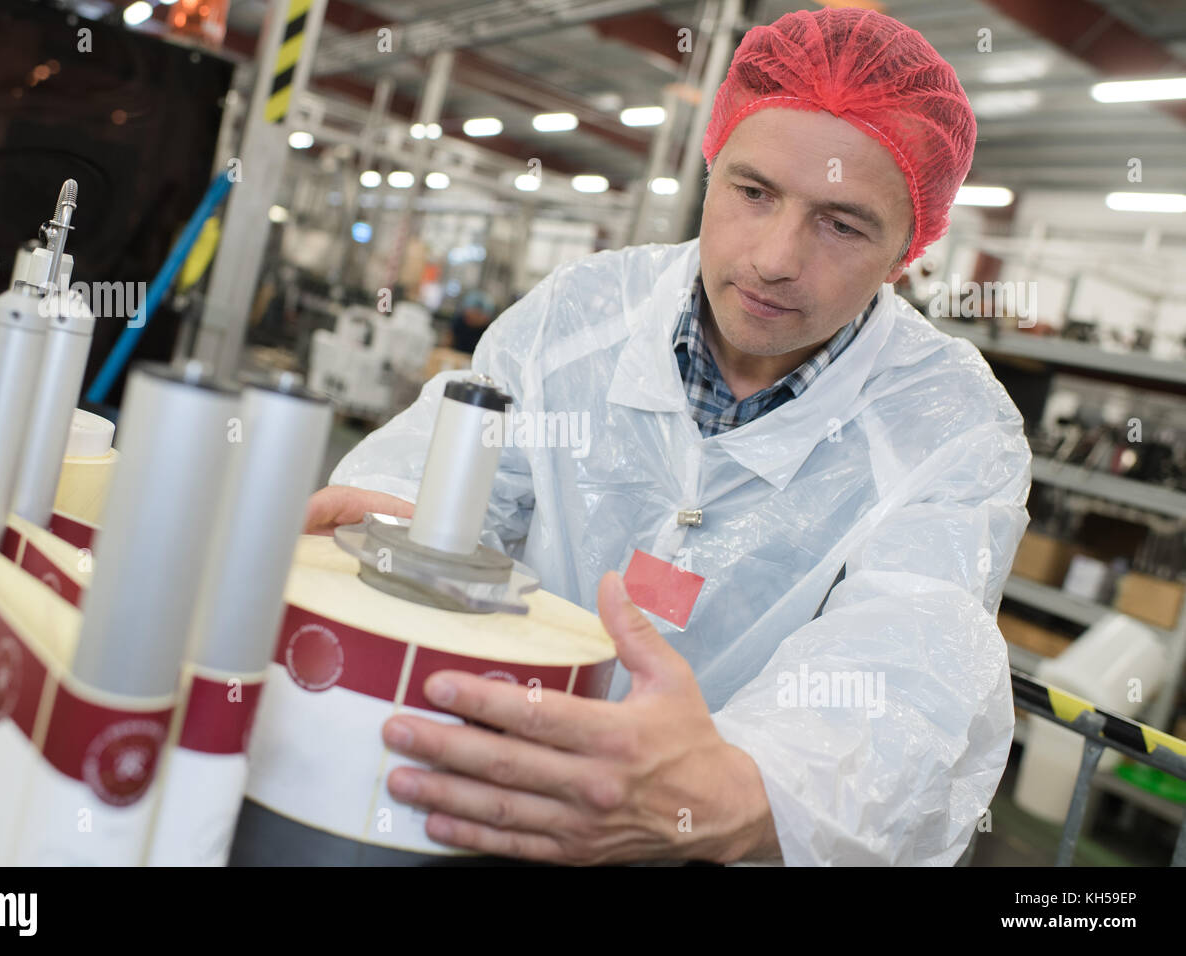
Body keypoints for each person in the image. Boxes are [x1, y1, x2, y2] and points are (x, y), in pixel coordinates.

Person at [305, 7, 1030, 865]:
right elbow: (438, 484)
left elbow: (907, 670)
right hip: (485, 796)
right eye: (752, 192)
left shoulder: (949, 428)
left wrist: (733, 791)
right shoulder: (578, 319)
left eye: (841, 223)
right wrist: (398, 536)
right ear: (711, 166)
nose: (773, 258)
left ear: (911, 247)